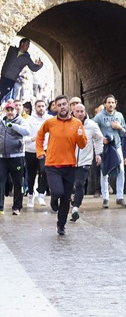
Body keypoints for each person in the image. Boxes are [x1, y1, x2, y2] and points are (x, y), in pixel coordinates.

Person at [35, 95, 87, 235]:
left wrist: (81, 135)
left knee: (65, 198)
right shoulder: (50, 122)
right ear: (55, 107)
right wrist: (40, 151)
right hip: (52, 165)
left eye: (64, 104)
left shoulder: (77, 123)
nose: (62, 107)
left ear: (68, 106)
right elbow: (40, 136)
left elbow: (82, 145)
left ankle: (61, 225)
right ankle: (53, 197)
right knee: (58, 192)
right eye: (59, 105)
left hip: (69, 166)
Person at [69, 98, 103, 222]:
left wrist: (98, 153)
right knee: (69, 186)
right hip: (69, 160)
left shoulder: (92, 125)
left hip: (85, 160)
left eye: (82, 111)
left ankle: (75, 208)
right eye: (77, 111)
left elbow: (99, 138)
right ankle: (71, 200)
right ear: (73, 112)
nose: (80, 114)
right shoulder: (68, 124)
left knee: (79, 184)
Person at [93, 94, 126, 208]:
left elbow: (125, 133)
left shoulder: (119, 115)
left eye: (112, 102)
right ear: (105, 104)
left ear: (115, 103)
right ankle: (105, 198)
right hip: (105, 148)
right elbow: (92, 129)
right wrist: (100, 138)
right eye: (108, 102)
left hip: (117, 146)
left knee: (121, 170)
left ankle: (120, 196)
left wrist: (119, 128)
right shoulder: (99, 117)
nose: (111, 104)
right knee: (104, 172)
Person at [0, 100, 29, 215]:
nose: (10, 112)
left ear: (16, 110)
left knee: (18, 182)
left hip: (17, 157)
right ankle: (0, 207)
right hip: (2, 157)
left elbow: (27, 132)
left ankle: (17, 207)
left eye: (12, 110)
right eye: (8, 110)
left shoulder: (22, 121)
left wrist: (13, 125)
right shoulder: (2, 122)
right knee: (0, 181)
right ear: (5, 111)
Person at [23, 98, 51, 208]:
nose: (41, 108)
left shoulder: (50, 119)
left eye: (42, 106)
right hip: (31, 150)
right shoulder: (29, 120)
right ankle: (30, 194)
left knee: (44, 170)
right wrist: (32, 139)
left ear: (46, 107)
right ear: (35, 108)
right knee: (31, 174)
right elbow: (23, 137)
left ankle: (41, 194)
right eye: (38, 106)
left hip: (44, 150)